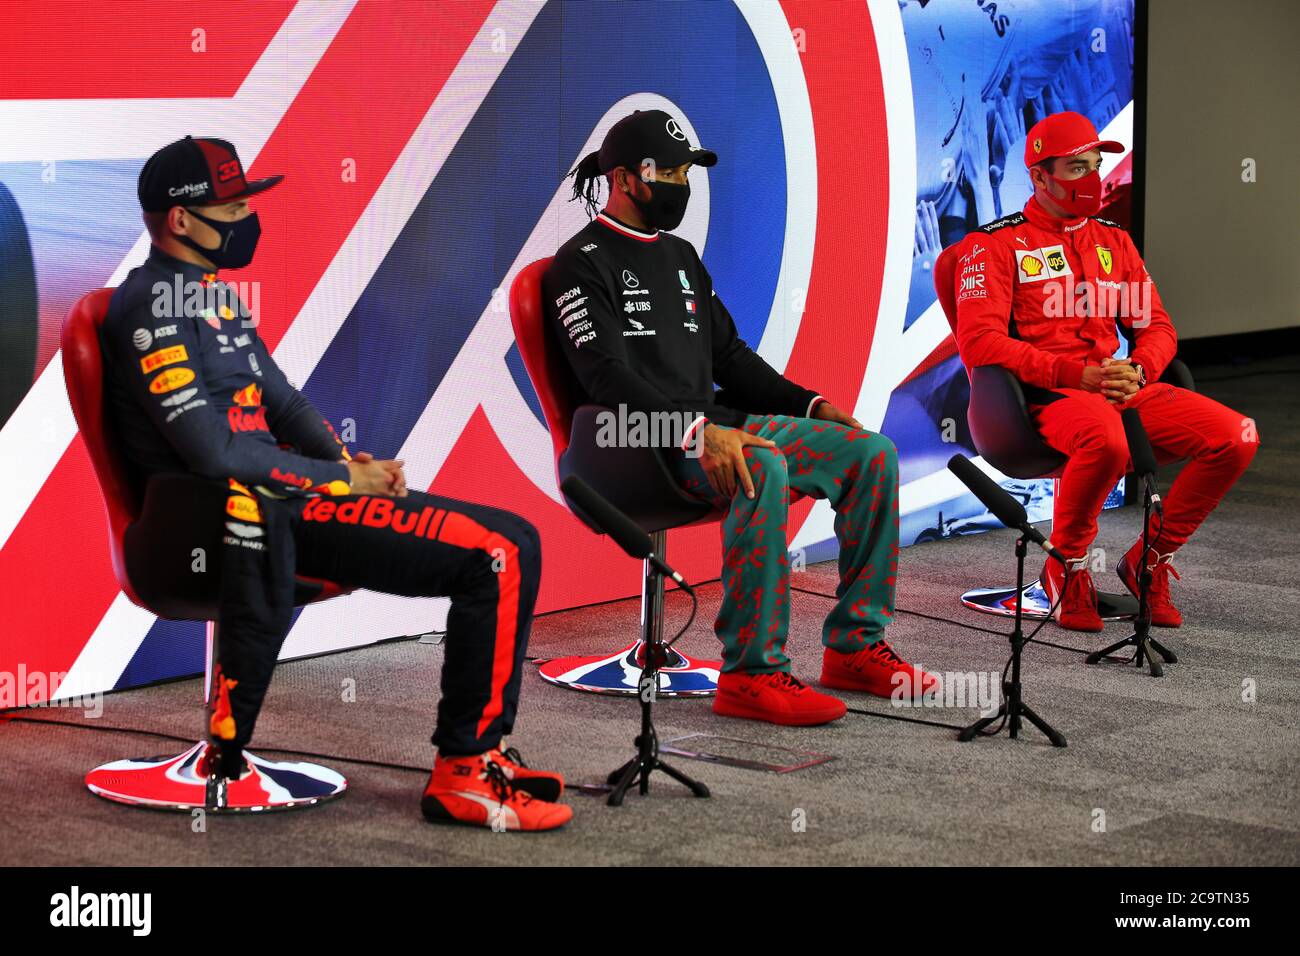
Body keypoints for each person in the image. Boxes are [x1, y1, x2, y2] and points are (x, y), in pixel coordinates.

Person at [100, 136, 570, 830]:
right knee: (495, 551)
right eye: (231, 205)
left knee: (513, 539)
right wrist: (341, 481)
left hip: (284, 505)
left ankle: (480, 754)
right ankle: (465, 773)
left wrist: (354, 467)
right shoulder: (152, 306)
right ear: (179, 219)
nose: (245, 218)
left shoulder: (213, 298)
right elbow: (213, 453)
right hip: (214, 521)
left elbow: (282, 402)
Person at [543, 110, 936, 726]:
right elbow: (603, 381)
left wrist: (812, 405)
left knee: (869, 454)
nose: (680, 183)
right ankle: (751, 673)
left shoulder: (680, 256)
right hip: (629, 441)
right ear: (623, 178)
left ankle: (855, 647)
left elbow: (728, 356)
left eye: (685, 171)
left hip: (712, 428)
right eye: (666, 172)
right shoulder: (579, 263)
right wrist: (695, 431)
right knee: (763, 464)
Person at [952, 112, 1258, 631]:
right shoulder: (995, 244)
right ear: (1039, 176)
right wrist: (1077, 376)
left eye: (1096, 165)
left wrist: (1137, 369)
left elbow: (1157, 327)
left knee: (1237, 435)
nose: (1091, 178)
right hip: (1040, 401)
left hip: (1119, 389)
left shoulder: (1113, 240)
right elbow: (979, 341)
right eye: (1076, 167)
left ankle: (1149, 560)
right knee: (1108, 441)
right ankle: (1066, 567)